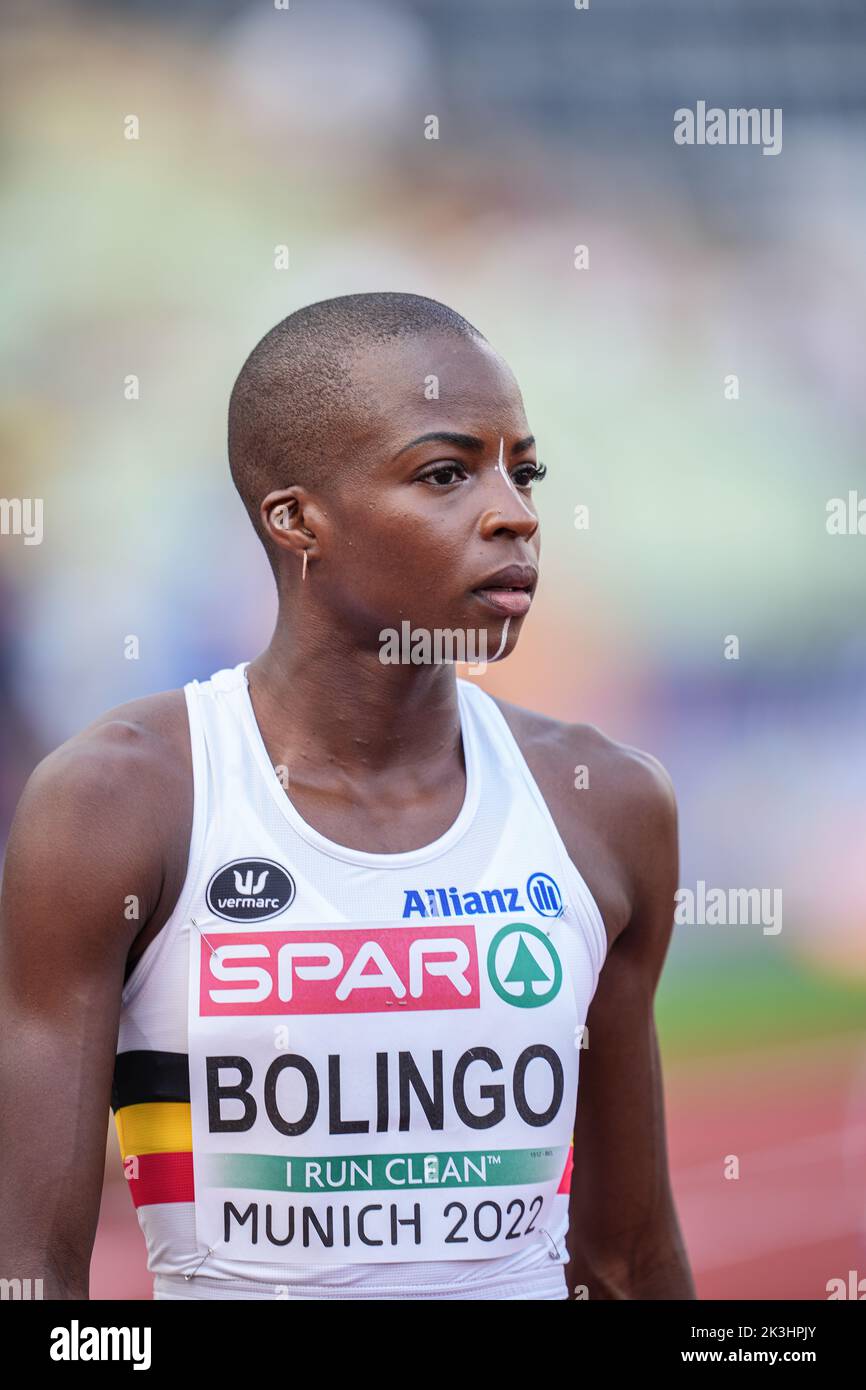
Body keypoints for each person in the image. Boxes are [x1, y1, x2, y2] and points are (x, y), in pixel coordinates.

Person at [0, 292, 694, 1300]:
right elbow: (29, 1273)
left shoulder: (607, 804)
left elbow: (627, 1261)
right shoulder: (117, 802)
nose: (515, 513)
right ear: (296, 518)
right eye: (446, 473)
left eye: (523, 469)